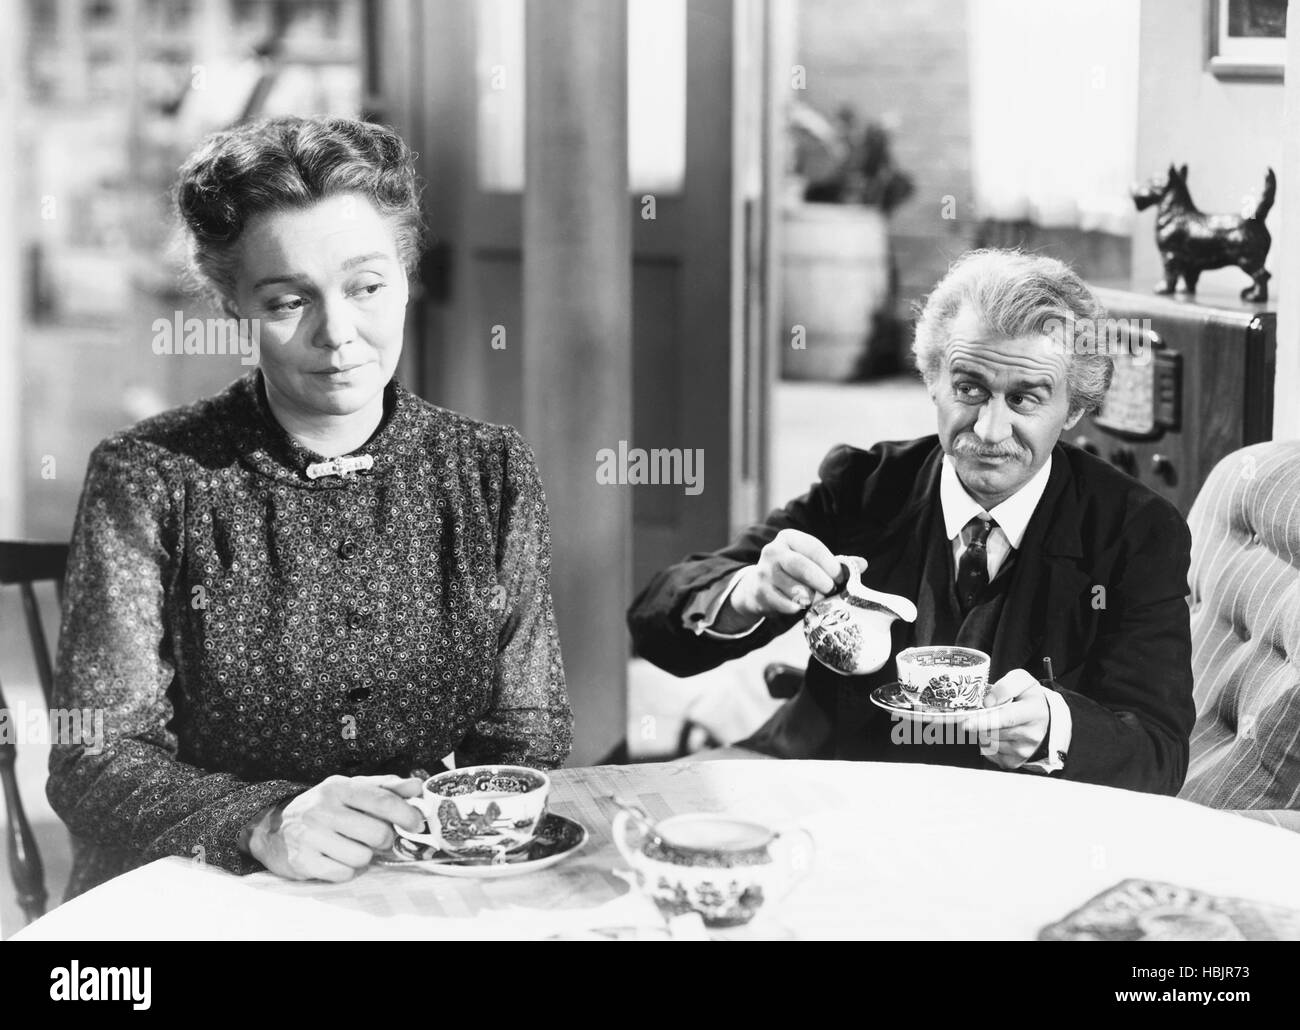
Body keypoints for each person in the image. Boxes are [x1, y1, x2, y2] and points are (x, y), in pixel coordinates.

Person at [48, 116, 572, 894]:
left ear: (405, 278)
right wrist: (265, 824)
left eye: (366, 287)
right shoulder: (150, 477)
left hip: (410, 884)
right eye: (289, 300)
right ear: (233, 307)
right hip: (199, 894)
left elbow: (526, 732)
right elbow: (91, 757)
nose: (338, 334)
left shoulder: (488, 469)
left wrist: (446, 840)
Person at [628, 249, 1194, 795]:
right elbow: (655, 625)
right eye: (969, 388)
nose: (990, 431)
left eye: (1025, 400)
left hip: (1004, 829)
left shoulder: (1136, 533)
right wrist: (750, 591)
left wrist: (1056, 727)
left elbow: (1159, 754)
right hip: (822, 790)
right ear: (931, 378)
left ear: (1073, 409)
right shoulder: (865, 486)